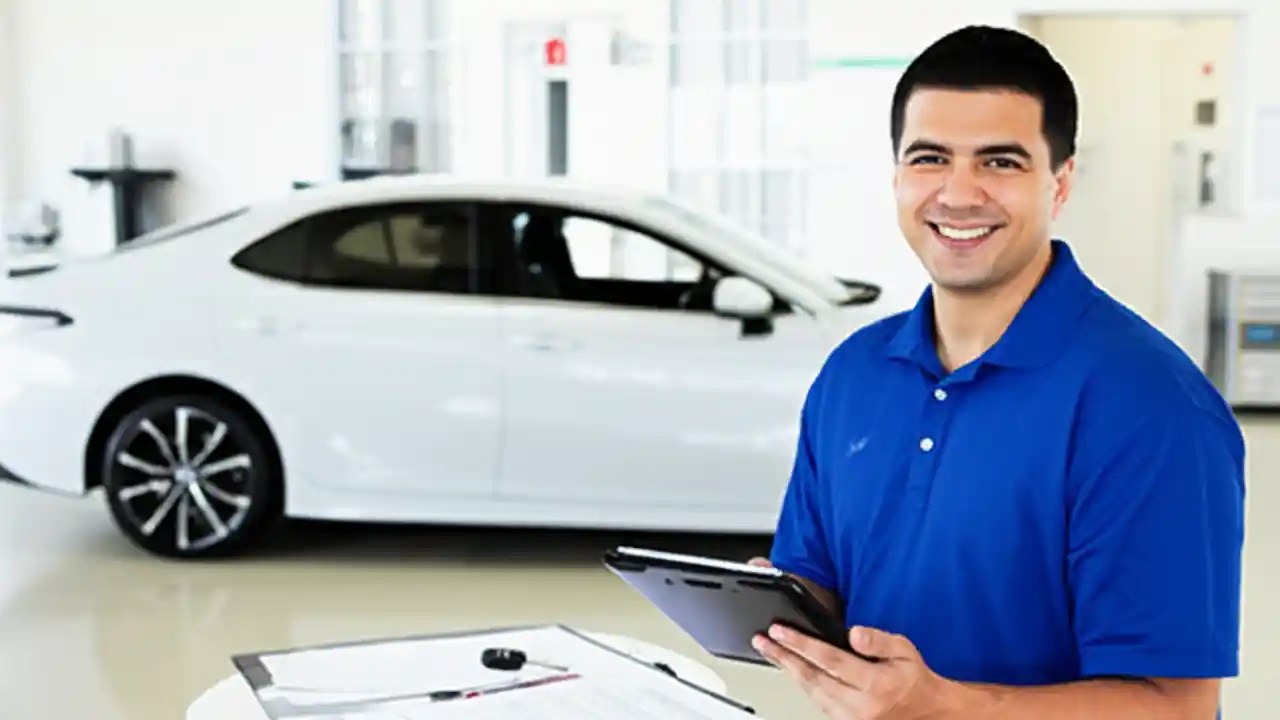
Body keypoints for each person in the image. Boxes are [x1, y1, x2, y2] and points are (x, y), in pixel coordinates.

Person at [750, 25, 1245, 719]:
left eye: (1000, 163)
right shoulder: (853, 374)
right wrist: (780, 607)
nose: (958, 193)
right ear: (896, 175)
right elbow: (821, 579)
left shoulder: (1150, 405)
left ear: (1060, 183)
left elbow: (1174, 706)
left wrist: (943, 705)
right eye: (929, 158)